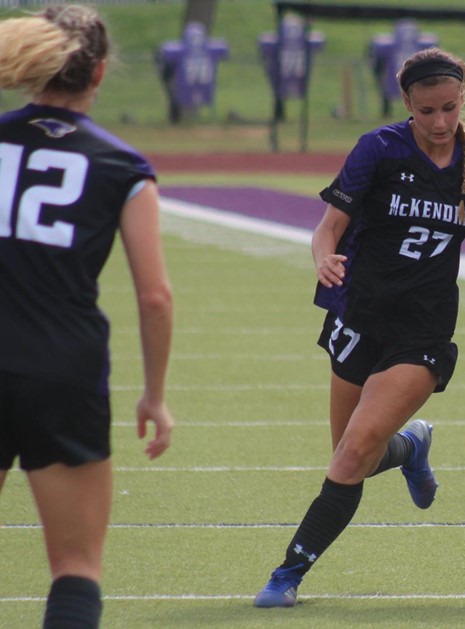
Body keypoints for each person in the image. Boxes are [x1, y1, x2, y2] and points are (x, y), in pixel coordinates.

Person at [253, 47, 465, 608]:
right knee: (352, 456)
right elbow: (328, 228)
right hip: (357, 318)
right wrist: (323, 258)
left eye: (450, 108)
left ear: (463, 99)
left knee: (352, 453)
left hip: (422, 334)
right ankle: (410, 448)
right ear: (406, 102)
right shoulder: (379, 150)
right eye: (426, 110)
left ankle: (287, 575)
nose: (440, 122)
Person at [0, 6, 175, 628]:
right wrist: (154, 395)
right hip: (62, 371)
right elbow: (155, 295)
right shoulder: (122, 165)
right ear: (100, 71)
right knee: (76, 568)